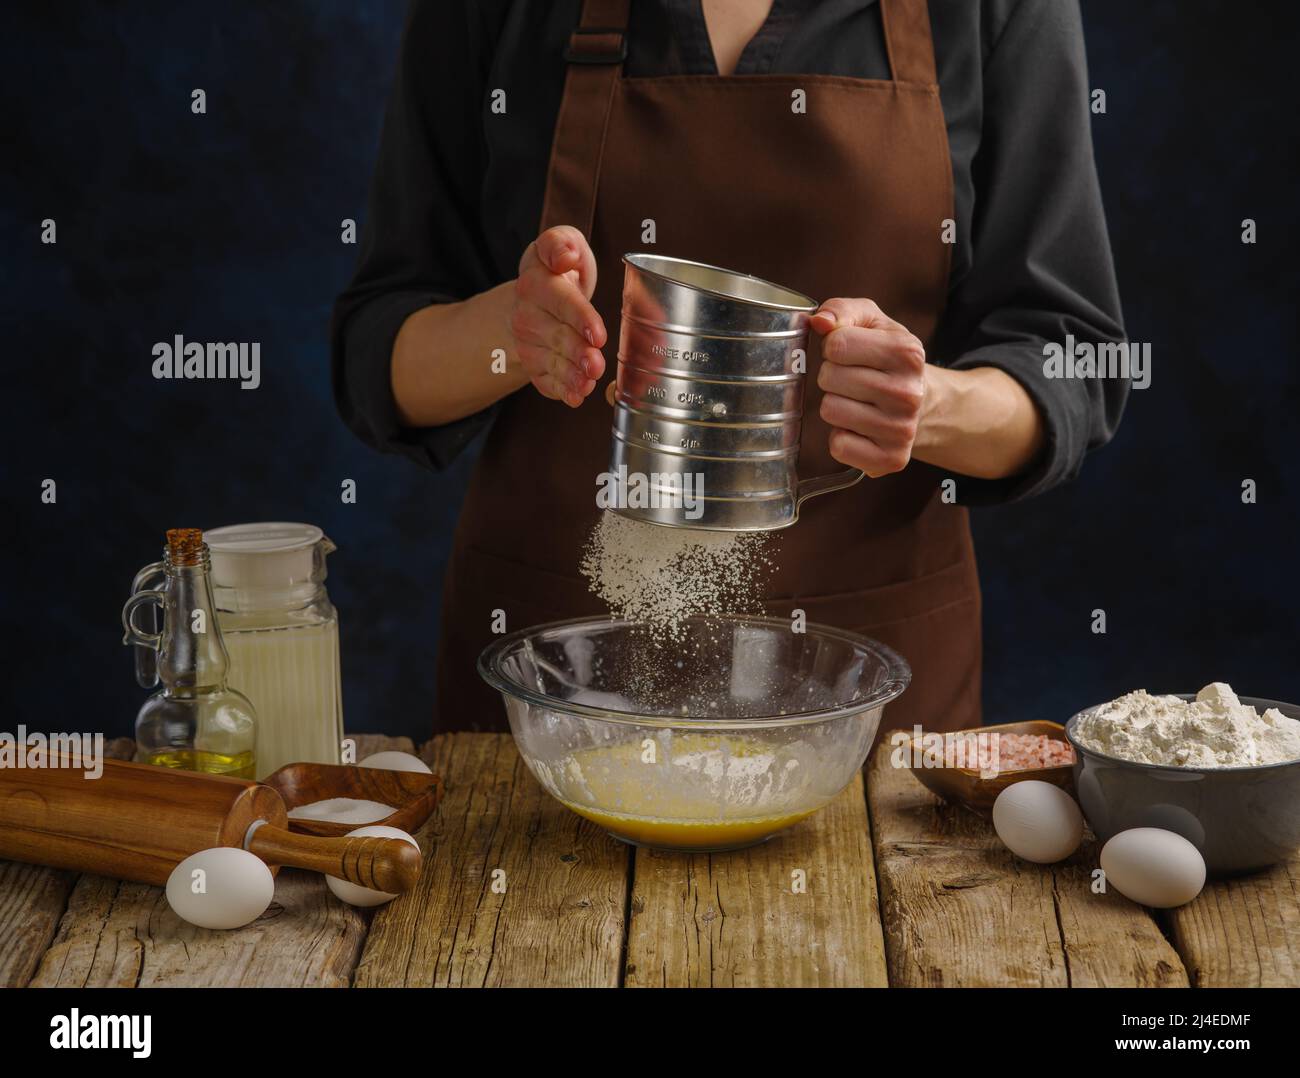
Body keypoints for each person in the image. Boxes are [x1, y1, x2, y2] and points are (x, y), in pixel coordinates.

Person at [331, 0, 1126, 736]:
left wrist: (928, 403)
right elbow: (376, 355)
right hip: (555, 688)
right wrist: (506, 332)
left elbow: (1072, 361)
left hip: (869, 707)